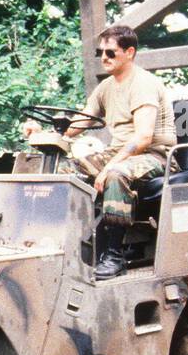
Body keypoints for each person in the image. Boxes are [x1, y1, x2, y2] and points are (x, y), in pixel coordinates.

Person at [23, 24, 176, 280]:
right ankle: (57, 244)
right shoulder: (106, 87)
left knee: (115, 173)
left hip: (156, 156)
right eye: (100, 52)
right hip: (121, 152)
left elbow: (143, 137)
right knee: (63, 170)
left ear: (129, 52)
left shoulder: (143, 84)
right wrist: (44, 130)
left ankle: (115, 256)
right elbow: (79, 123)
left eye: (110, 52)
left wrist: (106, 168)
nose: (104, 57)